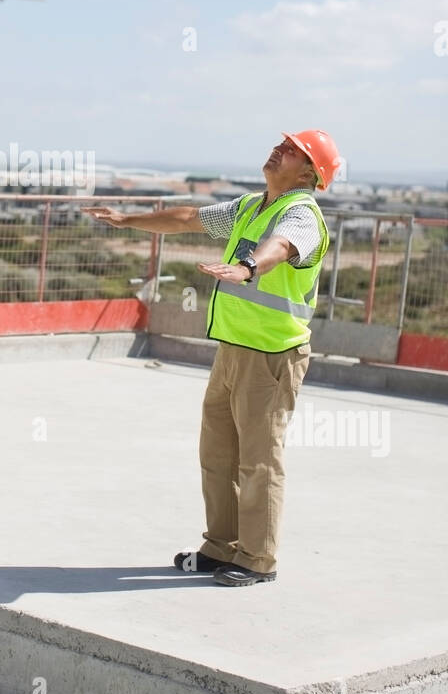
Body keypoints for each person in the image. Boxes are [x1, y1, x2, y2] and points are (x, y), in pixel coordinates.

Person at [87, 130, 341, 586]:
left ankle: (257, 559)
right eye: (281, 144)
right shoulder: (250, 206)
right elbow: (188, 217)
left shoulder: (301, 213)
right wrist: (128, 220)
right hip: (232, 347)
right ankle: (220, 547)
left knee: (259, 460)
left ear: (308, 173)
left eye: (291, 151)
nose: (277, 150)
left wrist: (247, 268)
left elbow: (280, 247)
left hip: (271, 355)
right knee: (218, 454)